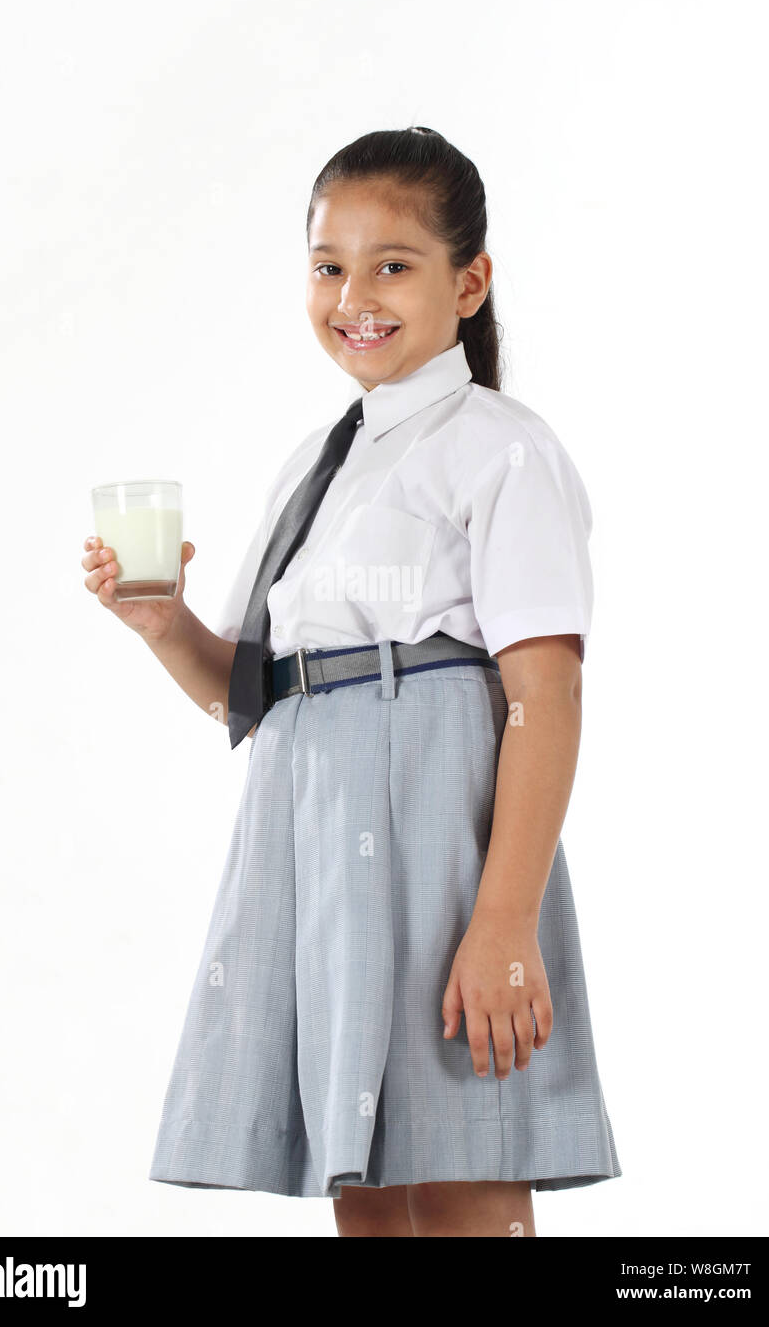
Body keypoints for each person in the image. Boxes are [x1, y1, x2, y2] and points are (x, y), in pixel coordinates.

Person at [81, 126, 621, 1238]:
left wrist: (503, 920)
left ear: (467, 282)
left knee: (463, 1155)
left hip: (438, 838)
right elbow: (246, 691)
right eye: (329, 265)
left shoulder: (498, 449)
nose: (353, 295)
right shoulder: (320, 461)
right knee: (364, 1182)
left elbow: (545, 697)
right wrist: (159, 621)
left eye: (392, 264)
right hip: (312, 836)